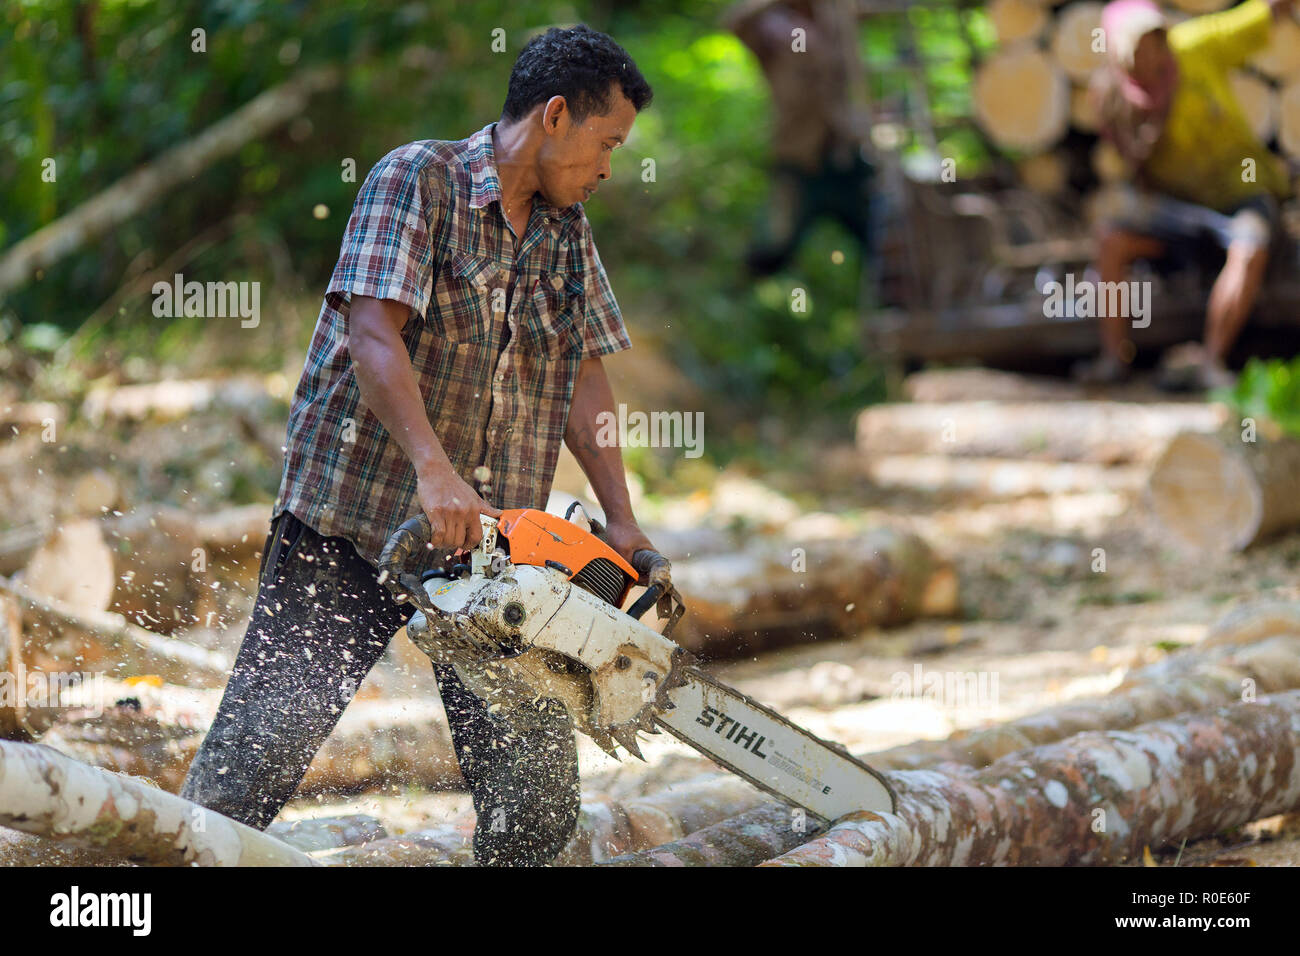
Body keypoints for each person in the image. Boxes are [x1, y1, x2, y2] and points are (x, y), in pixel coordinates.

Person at [179, 25, 657, 866]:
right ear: (554, 116)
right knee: (255, 758)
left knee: (535, 802)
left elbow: (584, 373)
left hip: (493, 553)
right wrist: (434, 474)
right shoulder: (417, 180)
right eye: (605, 143)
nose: (609, 167)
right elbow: (373, 334)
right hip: (355, 519)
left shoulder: (566, 231)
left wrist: (621, 520)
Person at [1073, 0, 1294, 390]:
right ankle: (1114, 359)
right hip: (1177, 213)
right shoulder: (1113, 96)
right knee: (1112, 240)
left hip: (1239, 193)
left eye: (1155, 41)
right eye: (1138, 47)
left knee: (1250, 243)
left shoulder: (1195, 48)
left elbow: (1257, 16)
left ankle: (1212, 362)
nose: (1151, 54)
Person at [725, 0, 875, 276]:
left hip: (843, 153)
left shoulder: (835, 19)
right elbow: (734, 22)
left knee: (878, 234)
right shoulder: (770, 27)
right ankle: (736, 295)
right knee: (773, 247)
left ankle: (900, 301)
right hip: (798, 158)